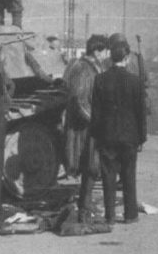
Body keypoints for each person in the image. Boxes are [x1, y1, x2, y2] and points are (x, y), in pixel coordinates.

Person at [90, 34, 147, 225]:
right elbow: (141, 113)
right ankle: (131, 215)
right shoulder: (136, 82)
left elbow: (96, 113)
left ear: (111, 57)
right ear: (127, 57)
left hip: (107, 136)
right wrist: (141, 138)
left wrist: (96, 137)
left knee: (108, 176)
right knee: (129, 175)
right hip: (130, 137)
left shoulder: (100, 80)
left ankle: (110, 216)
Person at [63, 35, 110, 220]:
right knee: (90, 166)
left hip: (85, 125)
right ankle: (84, 208)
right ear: (98, 51)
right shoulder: (85, 69)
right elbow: (80, 100)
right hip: (84, 128)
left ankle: (85, 206)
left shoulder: (85, 66)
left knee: (90, 168)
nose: (106, 55)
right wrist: (96, 121)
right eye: (105, 51)